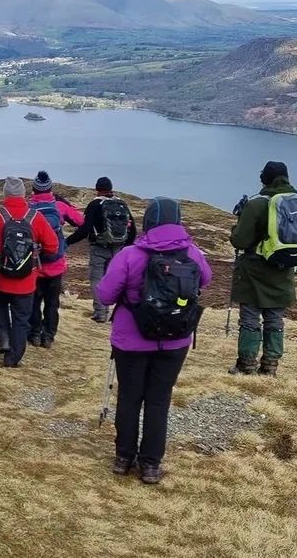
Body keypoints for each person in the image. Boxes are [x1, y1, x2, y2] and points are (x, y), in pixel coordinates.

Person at [98, 197, 212, 485]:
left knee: (129, 397)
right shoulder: (193, 253)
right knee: (159, 401)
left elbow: (105, 295)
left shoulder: (129, 255)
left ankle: (124, 458)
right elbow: (206, 280)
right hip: (175, 341)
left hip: (131, 341)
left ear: (148, 221)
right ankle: (150, 465)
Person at [229, 161, 297, 376]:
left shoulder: (257, 204)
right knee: (275, 318)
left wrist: (237, 225)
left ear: (264, 179)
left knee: (250, 315)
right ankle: (270, 366)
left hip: (255, 269)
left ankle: (246, 364)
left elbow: (240, 241)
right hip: (283, 269)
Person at [0, 176, 59, 367]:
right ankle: (13, 358)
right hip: (26, 280)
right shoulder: (35, 217)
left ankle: (3, 338)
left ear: (5, 194)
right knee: (21, 318)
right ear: (24, 194)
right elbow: (53, 246)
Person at [66, 176, 136, 323]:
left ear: (97, 189)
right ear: (111, 188)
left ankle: (100, 313)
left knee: (96, 279)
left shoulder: (95, 204)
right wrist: (126, 248)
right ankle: (114, 311)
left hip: (98, 247)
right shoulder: (121, 203)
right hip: (118, 248)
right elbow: (133, 230)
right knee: (114, 279)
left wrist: (67, 241)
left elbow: (84, 229)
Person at [27, 171, 84, 347]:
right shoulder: (59, 206)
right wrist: (66, 243)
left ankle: (35, 335)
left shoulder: (28, 208)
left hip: (35, 265)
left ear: (34, 189)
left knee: (34, 302)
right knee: (52, 304)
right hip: (56, 265)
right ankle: (49, 336)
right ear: (50, 188)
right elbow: (81, 221)